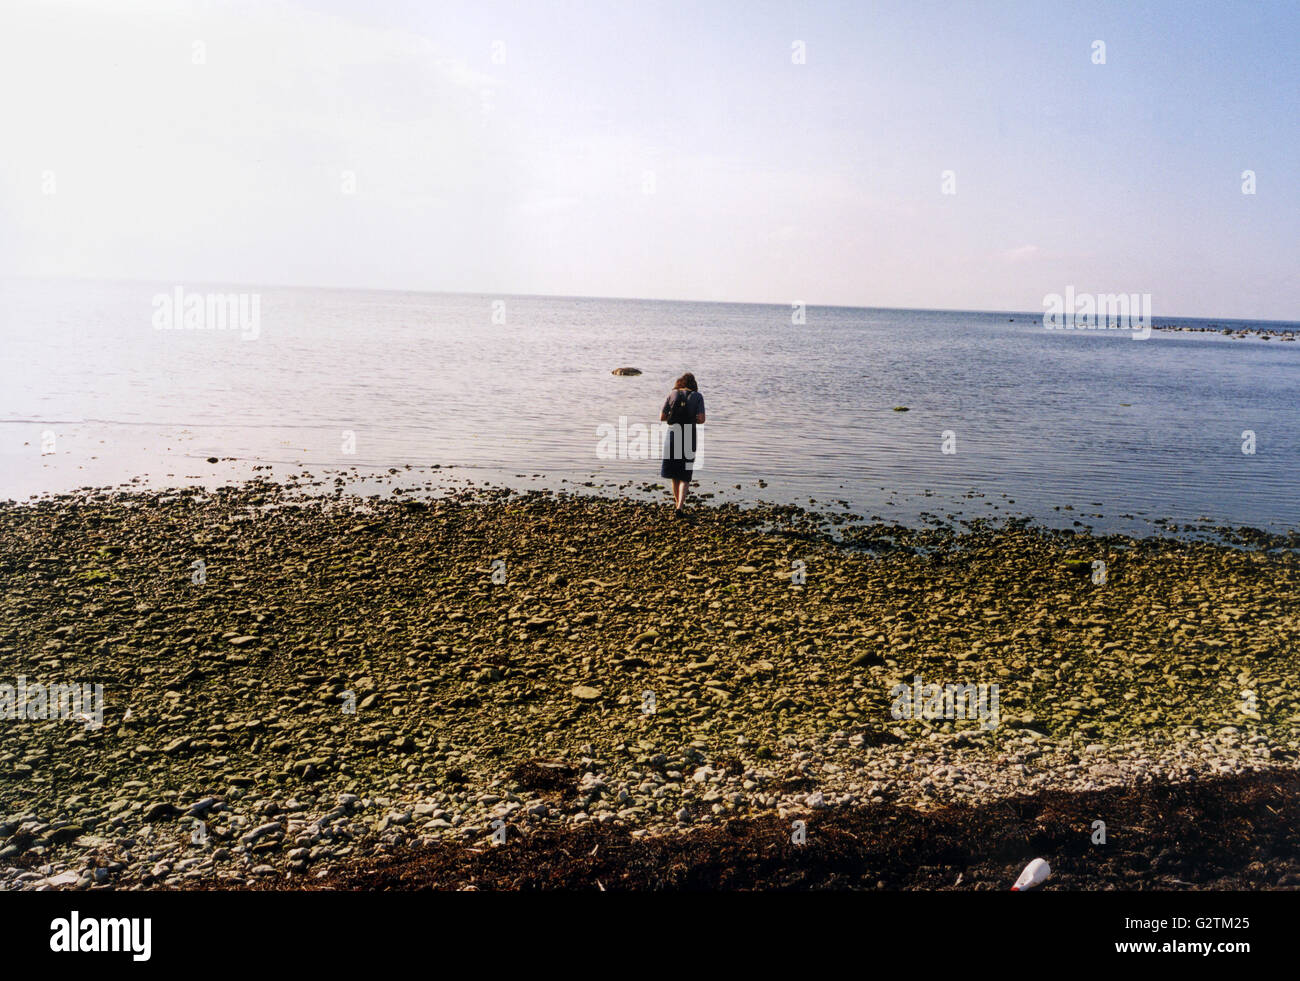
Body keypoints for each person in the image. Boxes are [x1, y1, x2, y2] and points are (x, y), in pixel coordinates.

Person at [659, 372, 706, 513]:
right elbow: (702, 419)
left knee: (674, 474)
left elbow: (662, 417)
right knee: (685, 474)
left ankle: (676, 503)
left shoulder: (672, 394)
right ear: (693, 385)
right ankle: (680, 506)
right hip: (689, 435)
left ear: (679, 383)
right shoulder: (698, 397)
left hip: (673, 434)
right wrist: (693, 419)